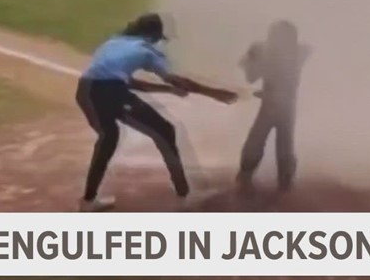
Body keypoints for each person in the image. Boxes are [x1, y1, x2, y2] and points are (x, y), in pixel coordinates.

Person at [76, 13, 239, 212]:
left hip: (86, 91)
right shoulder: (147, 52)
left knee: (109, 137)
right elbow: (176, 80)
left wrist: (168, 90)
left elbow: (128, 83)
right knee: (165, 130)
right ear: (152, 35)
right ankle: (185, 194)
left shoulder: (113, 42)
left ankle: (88, 200)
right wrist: (213, 93)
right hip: (108, 92)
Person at [235, 20, 312, 194]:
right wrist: (252, 60)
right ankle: (280, 179)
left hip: (279, 103)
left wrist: (252, 59)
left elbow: (252, 76)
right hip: (276, 103)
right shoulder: (290, 52)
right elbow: (252, 76)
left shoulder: (280, 53)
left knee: (267, 140)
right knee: (276, 142)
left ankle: (272, 178)